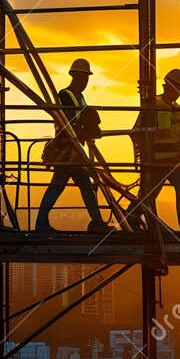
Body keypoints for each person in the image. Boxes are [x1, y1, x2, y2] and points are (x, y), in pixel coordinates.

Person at [35, 58, 110, 233]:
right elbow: (70, 122)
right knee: (60, 185)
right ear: (73, 76)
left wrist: (92, 128)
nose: (84, 81)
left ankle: (97, 222)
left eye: (86, 78)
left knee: (83, 185)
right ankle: (40, 223)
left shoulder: (80, 97)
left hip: (75, 150)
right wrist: (86, 127)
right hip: (66, 149)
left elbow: (82, 120)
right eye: (81, 77)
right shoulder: (65, 95)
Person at [133, 68, 180, 232]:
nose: (179, 93)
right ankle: (131, 218)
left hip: (172, 162)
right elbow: (137, 131)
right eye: (178, 89)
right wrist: (145, 155)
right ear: (168, 86)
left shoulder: (176, 108)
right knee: (148, 195)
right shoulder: (153, 105)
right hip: (157, 162)